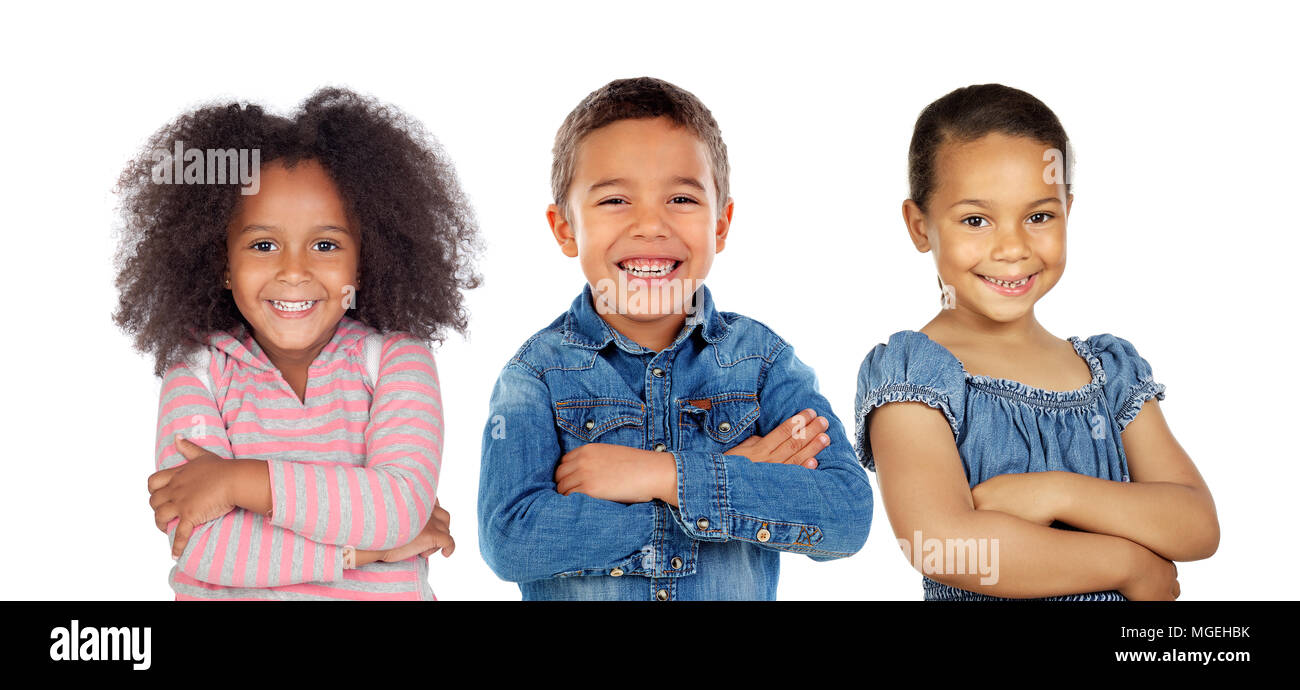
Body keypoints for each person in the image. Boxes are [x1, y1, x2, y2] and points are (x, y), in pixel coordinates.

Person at [478, 77, 873, 600]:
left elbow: (844, 515)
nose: (650, 224)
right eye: (616, 199)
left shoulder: (761, 361)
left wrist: (663, 476)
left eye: (681, 198)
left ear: (722, 223)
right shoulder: (536, 375)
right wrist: (729, 479)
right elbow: (513, 540)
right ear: (565, 229)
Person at [856, 84, 1218, 600]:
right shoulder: (915, 376)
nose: (1012, 248)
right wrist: (1128, 564)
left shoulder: (1108, 373)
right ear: (920, 226)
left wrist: (1055, 492)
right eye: (976, 220)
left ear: (1068, 209)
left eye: (1040, 216)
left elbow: (1196, 523)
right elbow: (943, 544)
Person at [114, 88, 480, 600]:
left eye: (325, 245)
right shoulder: (198, 369)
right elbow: (201, 545)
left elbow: (397, 506)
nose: (293, 272)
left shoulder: (396, 357)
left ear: (364, 260)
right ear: (221, 262)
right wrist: (365, 552)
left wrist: (236, 483)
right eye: (263, 245)